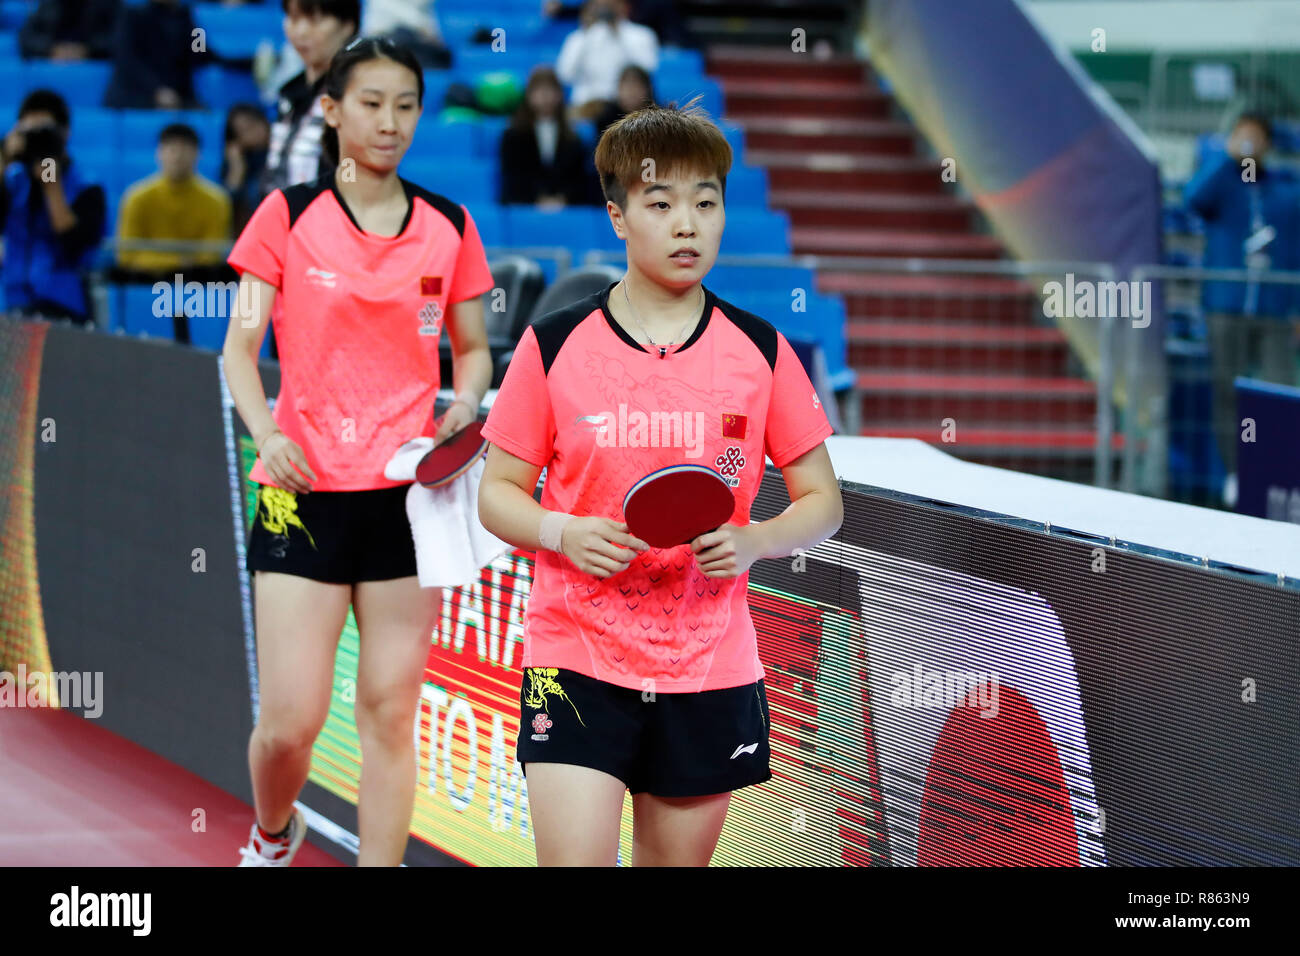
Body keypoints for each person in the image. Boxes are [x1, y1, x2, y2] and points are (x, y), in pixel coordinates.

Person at [477, 100, 844, 866]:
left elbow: (824, 503)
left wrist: (756, 540)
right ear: (617, 217)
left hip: (709, 664)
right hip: (574, 655)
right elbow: (498, 492)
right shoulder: (553, 345)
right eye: (661, 203)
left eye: (705, 203)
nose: (688, 224)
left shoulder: (762, 350)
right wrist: (563, 531)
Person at [222, 36, 495, 867]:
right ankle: (274, 831)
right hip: (296, 491)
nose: (389, 122)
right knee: (289, 725)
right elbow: (239, 348)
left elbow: (474, 347)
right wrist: (267, 432)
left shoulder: (449, 226)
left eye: (405, 105)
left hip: (405, 499)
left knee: (387, 709)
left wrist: (465, 403)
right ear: (333, 111)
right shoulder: (287, 215)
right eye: (370, 103)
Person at [1185, 108, 1300, 505]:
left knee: (1280, 389)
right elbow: (1192, 199)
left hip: (1274, 312)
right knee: (1227, 393)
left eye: (1255, 137)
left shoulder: (1287, 192)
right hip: (1226, 307)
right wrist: (1225, 156)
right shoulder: (1221, 184)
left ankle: (1278, 473)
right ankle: (1236, 472)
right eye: (1242, 135)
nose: (1249, 143)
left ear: (1268, 143)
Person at [0, 90, 106, 324]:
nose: (37, 139)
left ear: (65, 133)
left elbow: (75, 245)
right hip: (14, 301)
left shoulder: (86, 186)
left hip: (64, 305)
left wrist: (51, 184)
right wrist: (4, 158)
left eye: (45, 132)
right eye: (30, 131)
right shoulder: (13, 179)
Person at [261, 0, 360, 200]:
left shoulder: (357, 96)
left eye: (315, 20)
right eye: (294, 19)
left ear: (347, 25)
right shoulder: (289, 94)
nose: (301, 32)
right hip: (282, 222)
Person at [115, 124, 232, 276]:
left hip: (199, 285)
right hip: (145, 283)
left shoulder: (217, 200)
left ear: (198, 154)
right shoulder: (136, 197)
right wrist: (180, 262)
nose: (177, 157)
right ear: (158, 153)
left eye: (185, 150)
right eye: (171, 149)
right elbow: (127, 255)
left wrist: (161, 261)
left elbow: (212, 255)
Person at [499, 65, 596, 208]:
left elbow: (579, 180)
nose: (545, 95)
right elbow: (512, 177)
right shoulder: (512, 136)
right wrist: (536, 199)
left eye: (550, 89)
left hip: (566, 209)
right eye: (539, 90)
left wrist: (563, 199)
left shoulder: (574, 138)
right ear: (529, 95)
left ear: (559, 95)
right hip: (524, 208)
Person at [556, 0, 658, 119]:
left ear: (623, 6)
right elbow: (565, 75)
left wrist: (617, 32)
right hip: (587, 104)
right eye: (599, 6)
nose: (605, 11)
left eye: (610, 6)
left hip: (626, 104)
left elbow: (647, 69)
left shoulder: (642, 34)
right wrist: (586, 33)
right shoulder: (579, 37)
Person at [102, 0, 206, 109]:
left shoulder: (184, 16)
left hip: (177, 97)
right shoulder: (133, 15)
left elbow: (200, 52)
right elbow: (126, 60)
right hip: (136, 95)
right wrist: (156, 90)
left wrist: (224, 61)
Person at [221, 105, 272, 235]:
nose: (250, 133)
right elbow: (227, 203)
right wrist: (237, 167)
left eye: (251, 125)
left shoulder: (281, 154)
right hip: (248, 227)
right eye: (241, 131)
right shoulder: (238, 161)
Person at [19, 0, 121, 61]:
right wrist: (51, 50)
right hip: (53, 69)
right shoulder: (48, 4)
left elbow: (119, 39)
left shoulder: (107, 4)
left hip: (95, 66)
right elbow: (25, 38)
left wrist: (87, 50)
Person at [593, 64, 655, 140]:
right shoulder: (605, 117)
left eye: (636, 86)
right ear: (618, 89)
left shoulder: (657, 120)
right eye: (627, 86)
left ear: (647, 89)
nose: (631, 92)